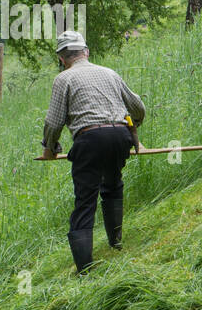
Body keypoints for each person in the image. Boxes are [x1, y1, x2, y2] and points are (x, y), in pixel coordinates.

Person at [42, 31, 147, 274]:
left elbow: (54, 122)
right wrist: (133, 130)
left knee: (85, 200)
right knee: (112, 184)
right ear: (86, 52)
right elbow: (137, 106)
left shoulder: (63, 79)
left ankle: (85, 269)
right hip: (120, 136)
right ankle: (116, 242)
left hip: (89, 139)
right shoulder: (109, 73)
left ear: (61, 58)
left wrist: (50, 148)